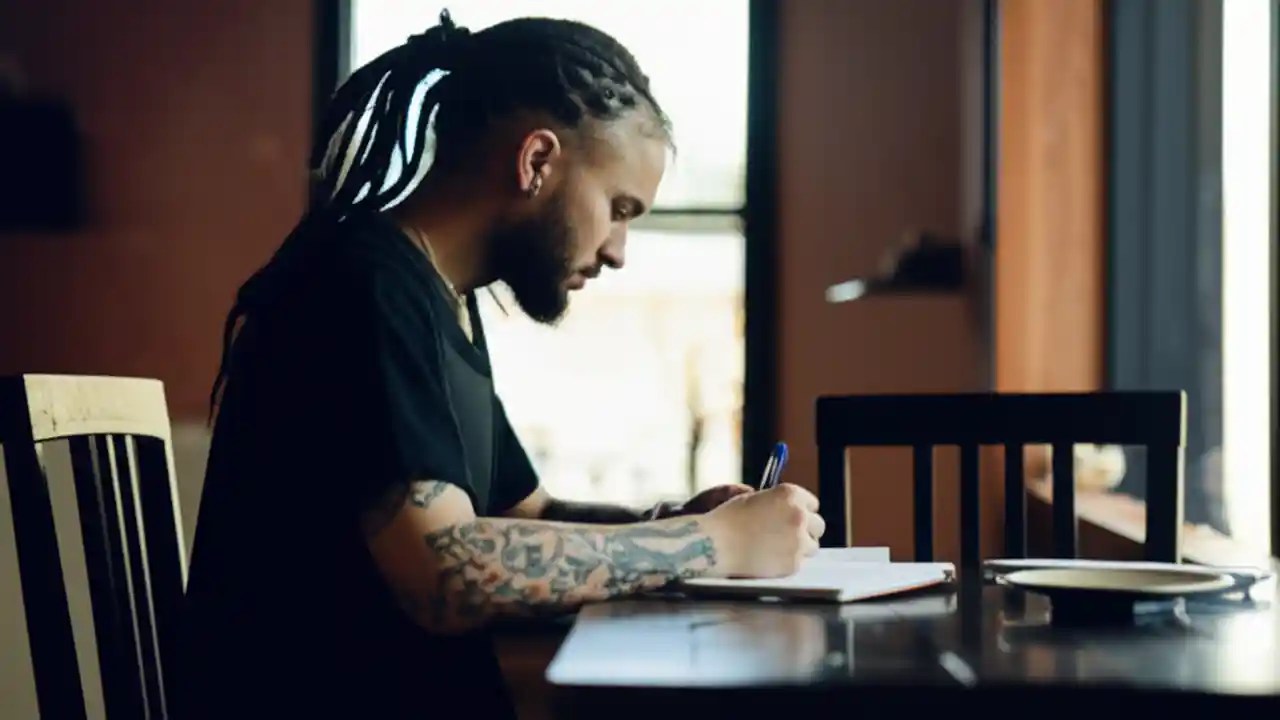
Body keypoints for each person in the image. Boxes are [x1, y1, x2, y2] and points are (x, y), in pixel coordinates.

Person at [175, 9, 824, 719]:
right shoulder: (362, 287)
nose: (618, 250)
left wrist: (674, 519)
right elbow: (445, 574)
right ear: (536, 161)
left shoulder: (437, 296)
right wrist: (709, 545)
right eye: (618, 207)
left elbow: (528, 514)